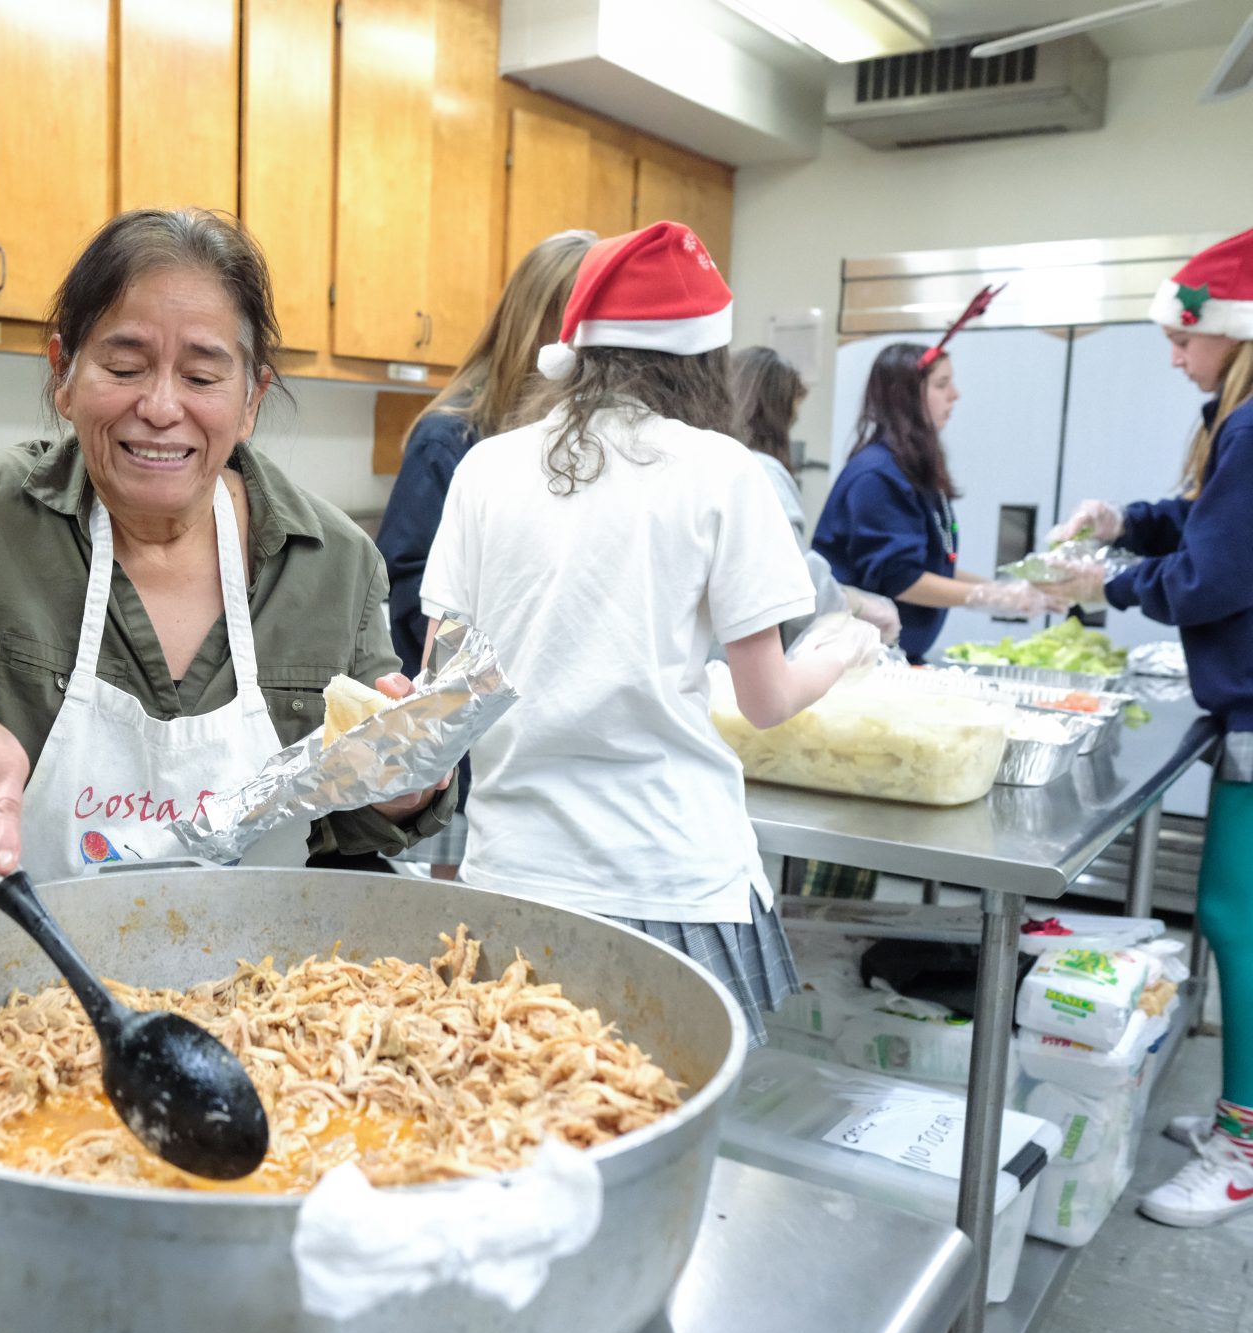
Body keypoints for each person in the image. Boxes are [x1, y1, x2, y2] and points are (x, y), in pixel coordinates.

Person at [0, 207, 454, 885]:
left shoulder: (333, 562)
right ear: (64, 375)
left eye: (202, 376)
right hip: (23, 991)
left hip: (261, 996)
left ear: (251, 399)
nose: (162, 408)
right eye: (125, 367)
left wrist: (401, 783)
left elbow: (355, 825)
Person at [418, 221, 882, 1044]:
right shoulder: (722, 472)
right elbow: (767, 699)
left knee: (511, 1130)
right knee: (661, 1128)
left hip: (515, 875)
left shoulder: (486, 468)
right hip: (669, 880)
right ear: (705, 359)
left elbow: (443, 698)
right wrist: (840, 648)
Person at [1046, 226, 1253, 1228]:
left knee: (1233, 925)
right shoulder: (1238, 420)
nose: (1174, 358)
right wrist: (1124, 520)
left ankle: (1243, 1147)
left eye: (1183, 340)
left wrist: (1108, 582)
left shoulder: (1251, 426)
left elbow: (1211, 575)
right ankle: (1237, 1116)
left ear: (1228, 330)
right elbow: (1199, 521)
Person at [377, 229, 597, 669]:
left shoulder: (577, 438)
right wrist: (492, 666)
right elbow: (408, 583)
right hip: (471, 696)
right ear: (545, 327)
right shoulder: (449, 439)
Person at [811, 339, 1065, 665]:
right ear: (905, 398)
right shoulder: (876, 475)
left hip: (893, 657)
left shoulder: (909, 467)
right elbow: (901, 578)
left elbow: (931, 564)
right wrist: (994, 597)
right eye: (941, 384)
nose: (955, 394)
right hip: (854, 660)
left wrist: (1010, 589)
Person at [730, 346, 901, 647]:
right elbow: (795, 581)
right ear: (775, 412)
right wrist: (858, 605)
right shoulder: (762, 472)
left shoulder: (712, 462)